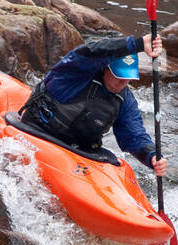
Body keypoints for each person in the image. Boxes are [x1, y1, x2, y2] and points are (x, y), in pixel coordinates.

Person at [20, 32, 168, 175]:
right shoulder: (75, 73)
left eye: (127, 77)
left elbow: (133, 135)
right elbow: (90, 52)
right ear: (105, 67)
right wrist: (138, 44)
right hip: (40, 132)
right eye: (118, 75)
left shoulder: (125, 100)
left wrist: (152, 155)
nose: (122, 82)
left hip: (80, 151)